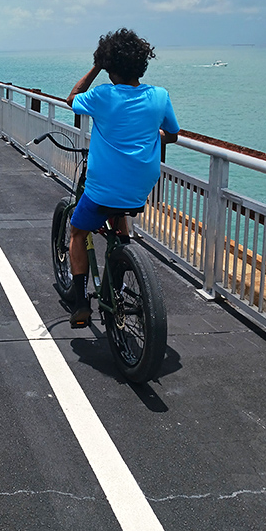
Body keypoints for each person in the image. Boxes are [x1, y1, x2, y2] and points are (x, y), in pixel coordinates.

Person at [65, 29, 180, 326]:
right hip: (141, 187)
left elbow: (72, 98)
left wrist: (97, 65)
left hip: (103, 188)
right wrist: (152, 134)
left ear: (111, 65)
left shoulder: (103, 95)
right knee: (119, 208)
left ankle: (80, 304)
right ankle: (121, 255)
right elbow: (173, 135)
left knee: (78, 232)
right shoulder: (159, 96)